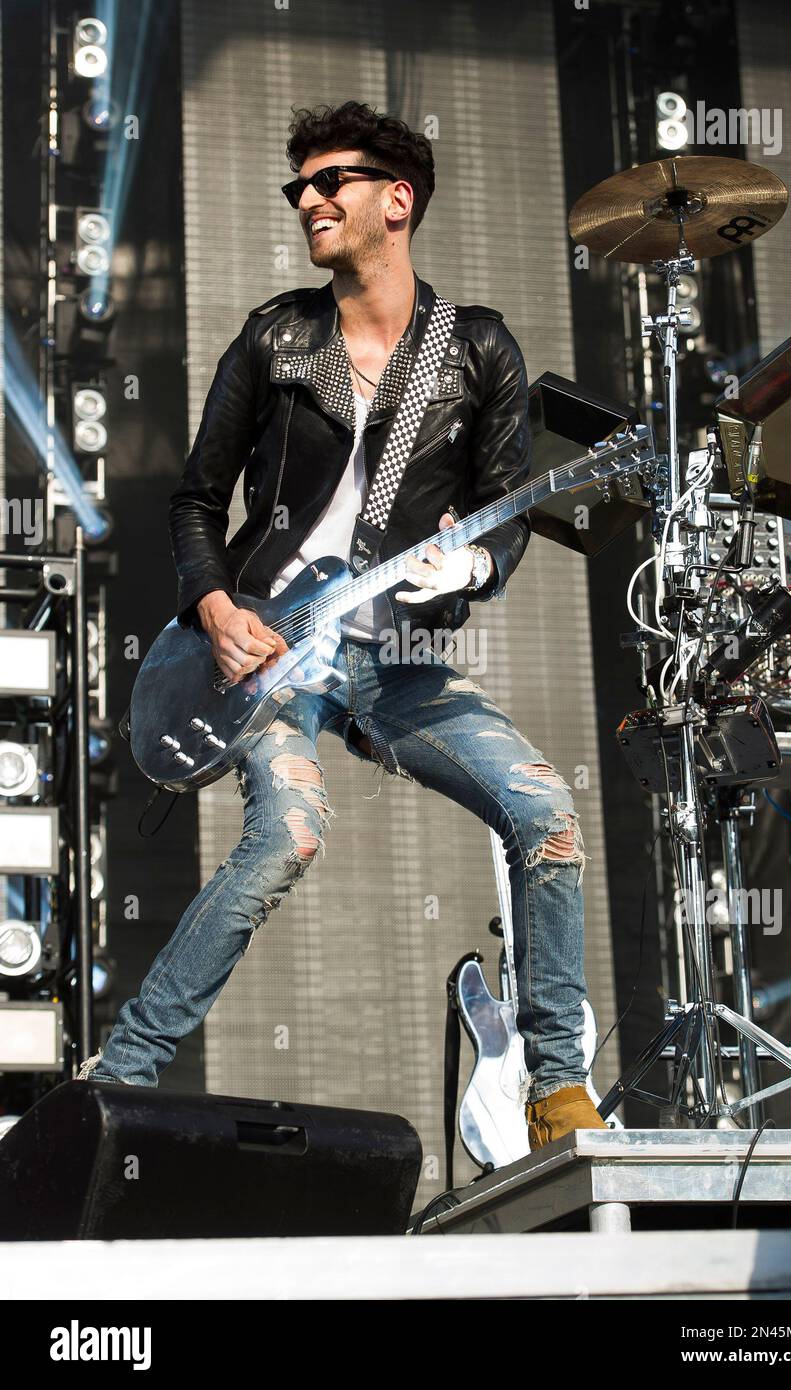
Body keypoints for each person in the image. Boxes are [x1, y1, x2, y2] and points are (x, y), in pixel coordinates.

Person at [76, 100, 606, 1147]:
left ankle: (554, 1092)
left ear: (396, 201)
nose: (309, 202)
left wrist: (473, 558)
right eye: (299, 188)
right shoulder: (277, 336)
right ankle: (119, 1076)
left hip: (396, 660)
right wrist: (218, 606)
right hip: (272, 649)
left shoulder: (478, 351)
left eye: (331, 184)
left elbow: (510, 518)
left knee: (546, 810)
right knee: (288, 833)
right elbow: (192, 501)